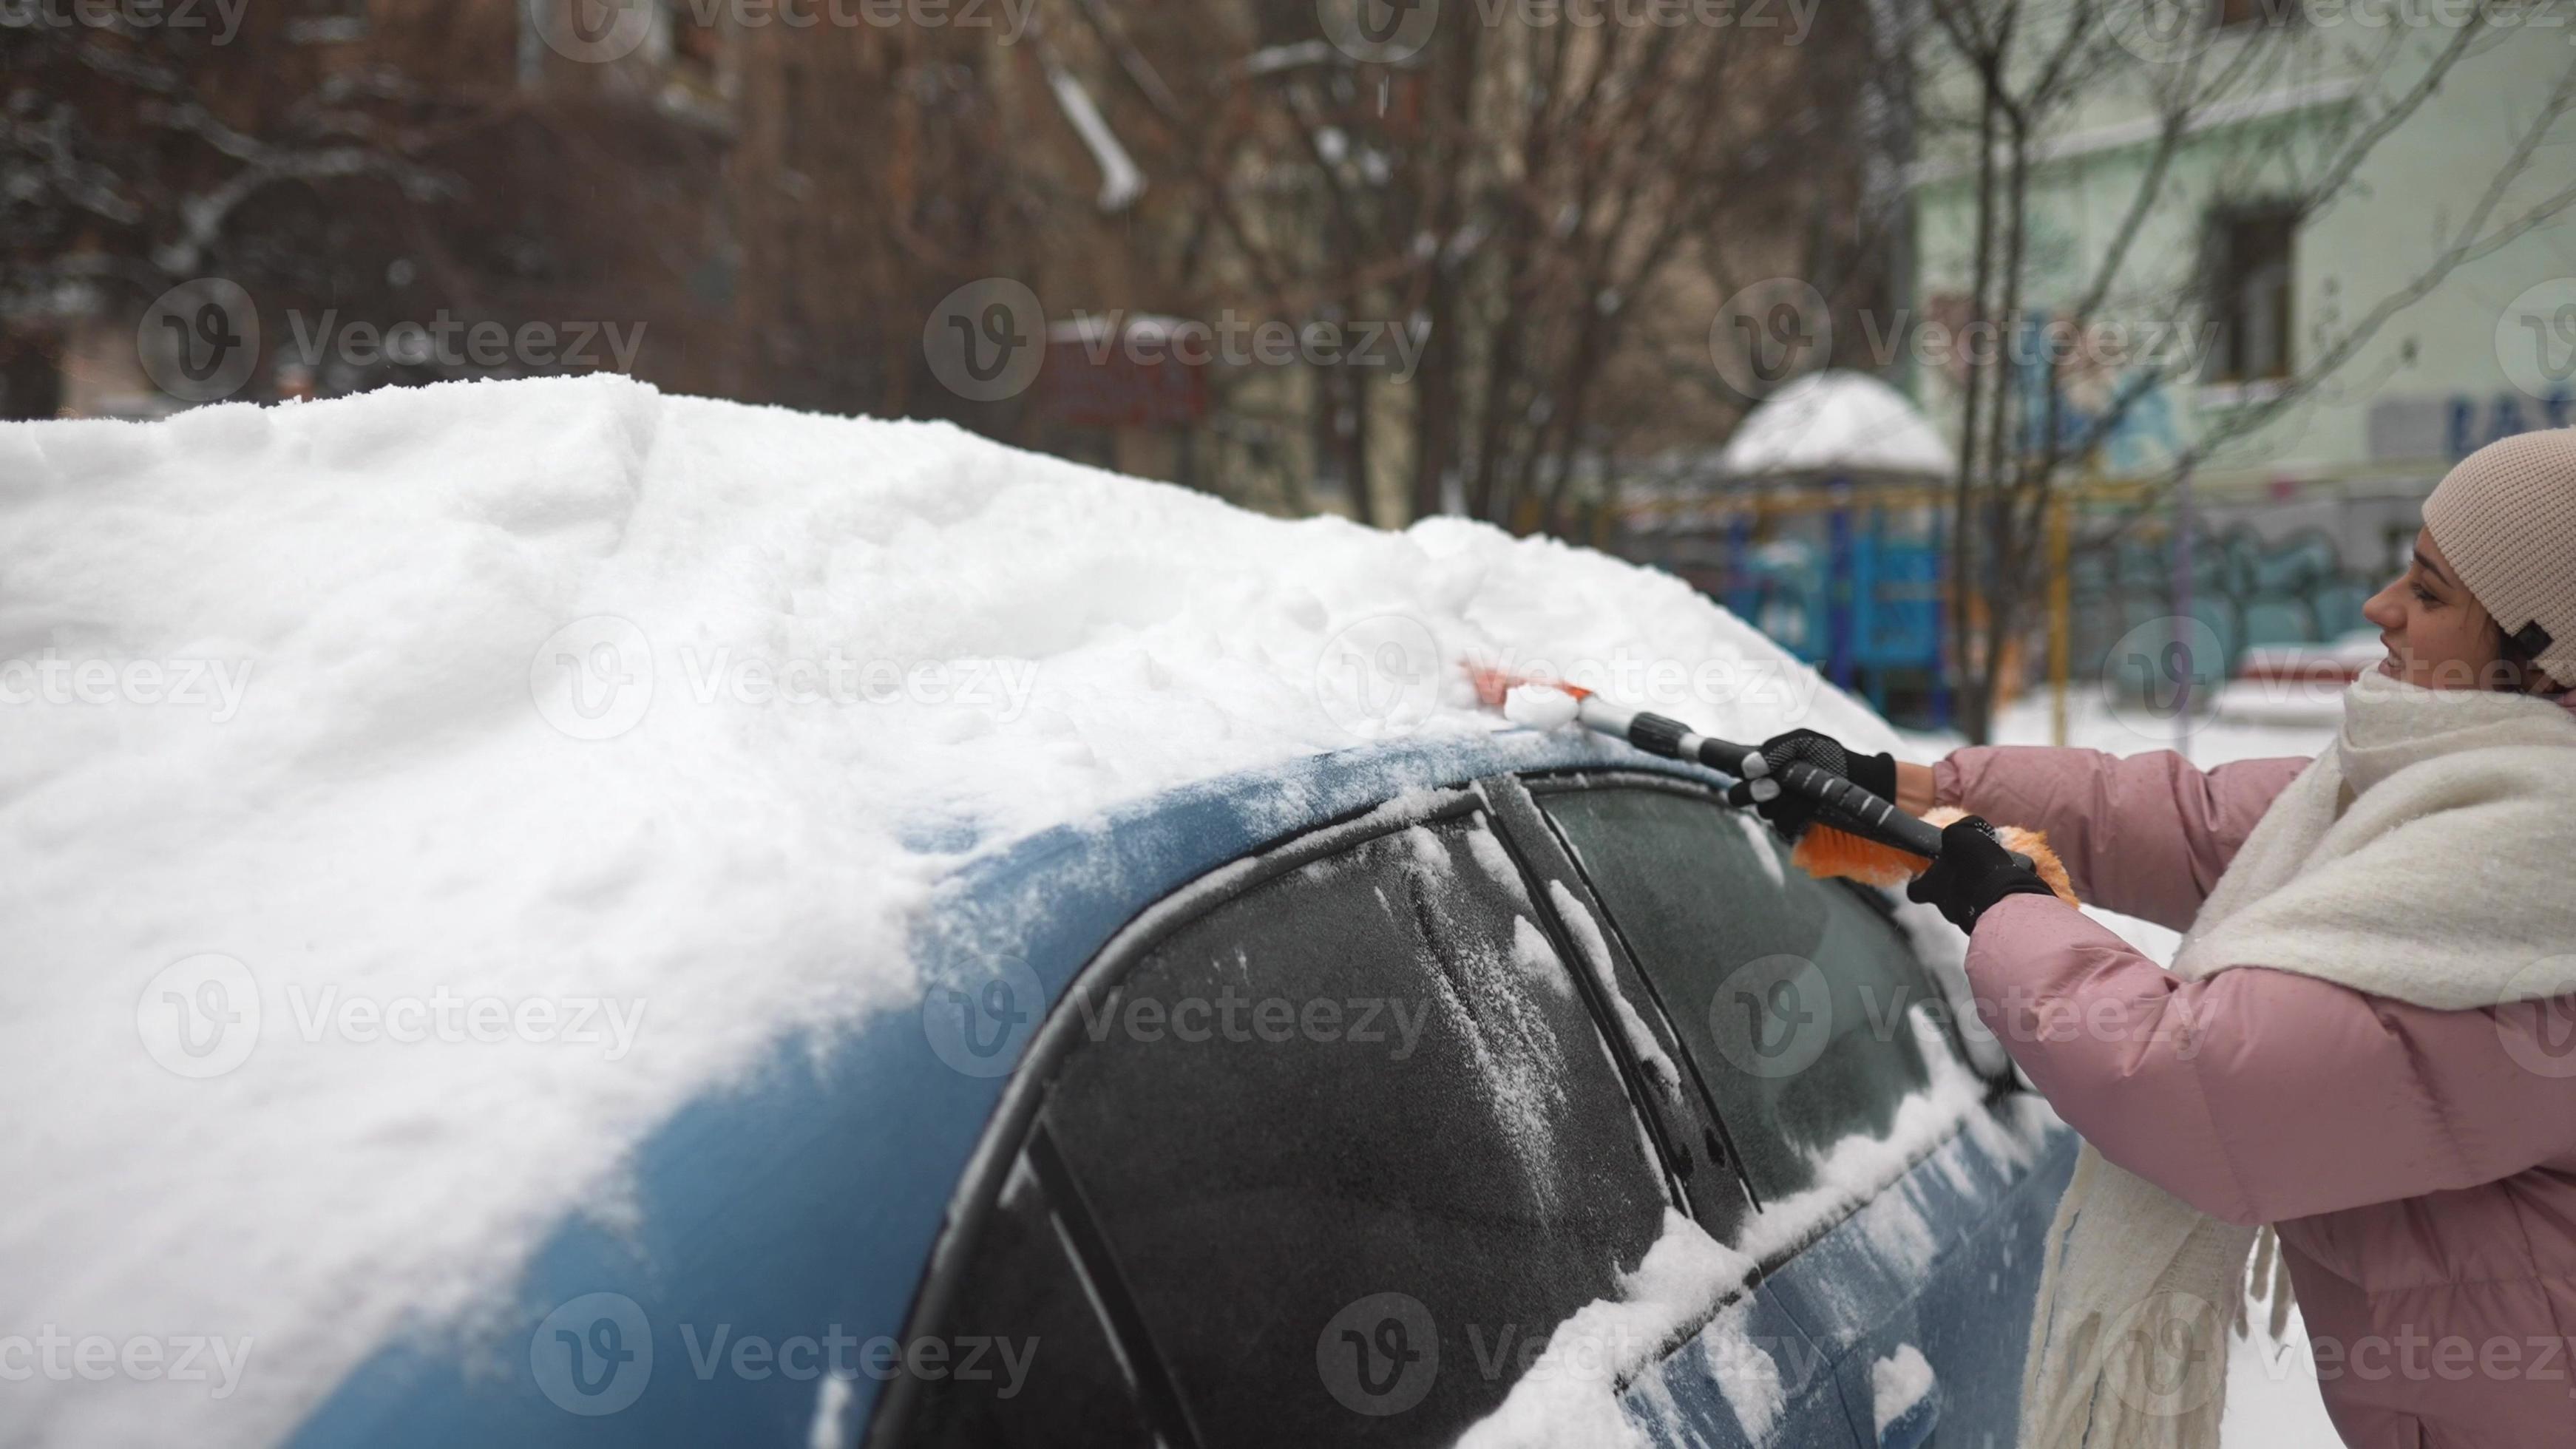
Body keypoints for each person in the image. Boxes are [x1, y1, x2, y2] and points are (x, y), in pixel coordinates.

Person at [1733, 429, 2576, 1448]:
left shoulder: (2530, 882)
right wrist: (1906, 790)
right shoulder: (2474, 791)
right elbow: (2197, 824)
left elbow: (2193, 1084)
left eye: (2432, 593)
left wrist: (2002, 908)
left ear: (2541, 659)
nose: (2381, 608)